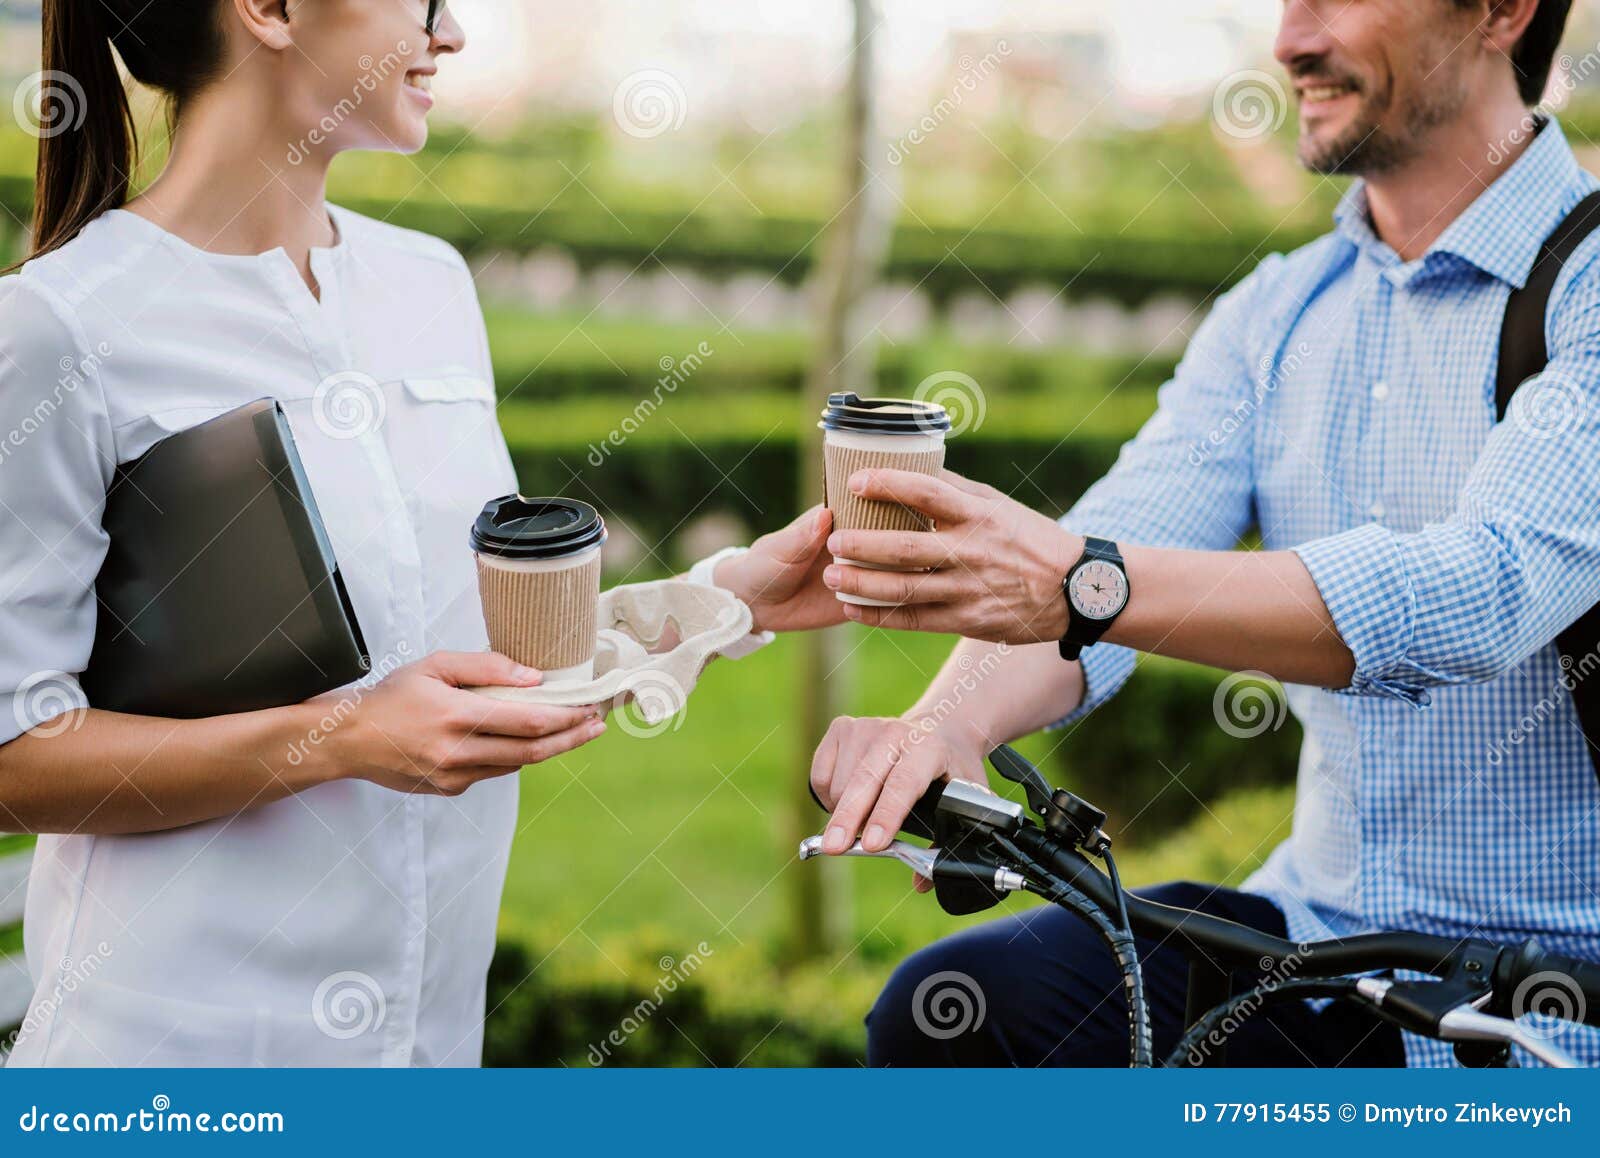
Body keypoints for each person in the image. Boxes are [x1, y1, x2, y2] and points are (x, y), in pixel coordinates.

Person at [0, 0, 832, 1067]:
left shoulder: (428, 285)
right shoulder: (59, 327)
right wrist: (338, 740)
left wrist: (721, 600)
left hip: (427, 1052)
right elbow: (17, 759)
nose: (453, 34)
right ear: (268, 9)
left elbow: (443, 650)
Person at [810, 0, 1600, 1067]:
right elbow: (1116, 544)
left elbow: (1485, 591)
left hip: (1553, 995)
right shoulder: (1278, 312)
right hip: (1322, 944)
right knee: (958, 1006)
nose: (1290, 39)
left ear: (1503, 11)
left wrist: (1084, 581)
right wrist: (946, 725)